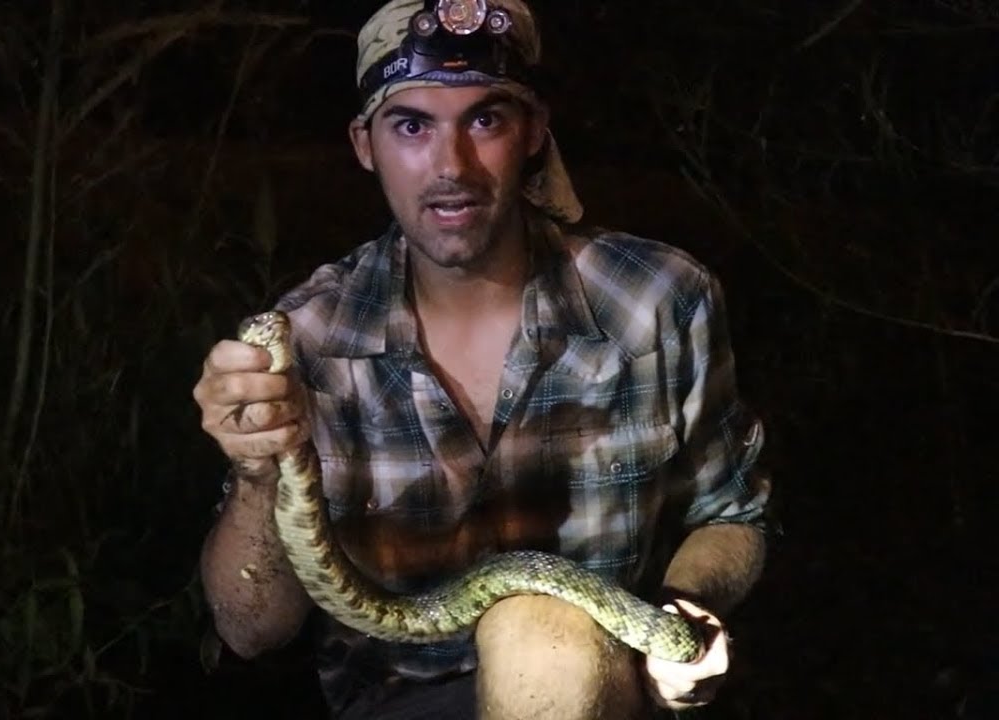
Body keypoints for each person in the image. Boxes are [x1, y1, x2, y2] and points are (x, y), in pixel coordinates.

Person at [193, 1, 774, 717]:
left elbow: (731, 513)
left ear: (533, 131)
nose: (451, 166)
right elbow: (250, 630)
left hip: (603, 683)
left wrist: (685, 618)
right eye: (412, 125)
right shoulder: (308, 336)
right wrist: (258, 474)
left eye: (485, 120)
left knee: (538, 631)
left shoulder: (659, 300)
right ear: (364, 143)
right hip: (394, 695)